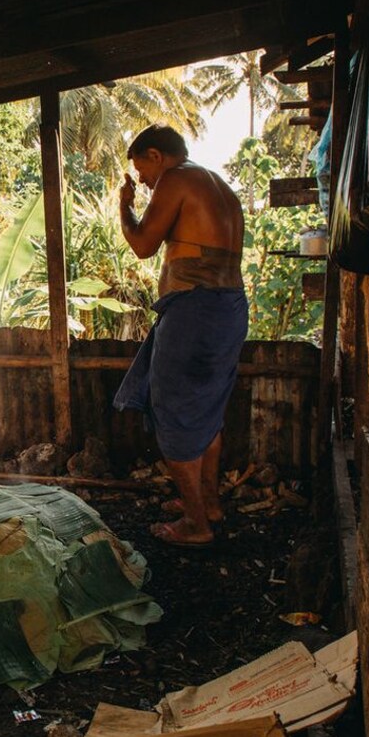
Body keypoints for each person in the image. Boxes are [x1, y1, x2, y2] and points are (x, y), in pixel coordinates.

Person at [112, 124, 248, 548]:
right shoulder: (218, 184)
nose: (146, 182)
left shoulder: (176, 179)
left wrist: (125, 207)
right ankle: (208, 503)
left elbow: (142, 245)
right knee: (206, 411)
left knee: (172, 412)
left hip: (194, 310)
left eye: (143, 170)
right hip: (228, 308)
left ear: (156, 155)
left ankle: (196, 523)